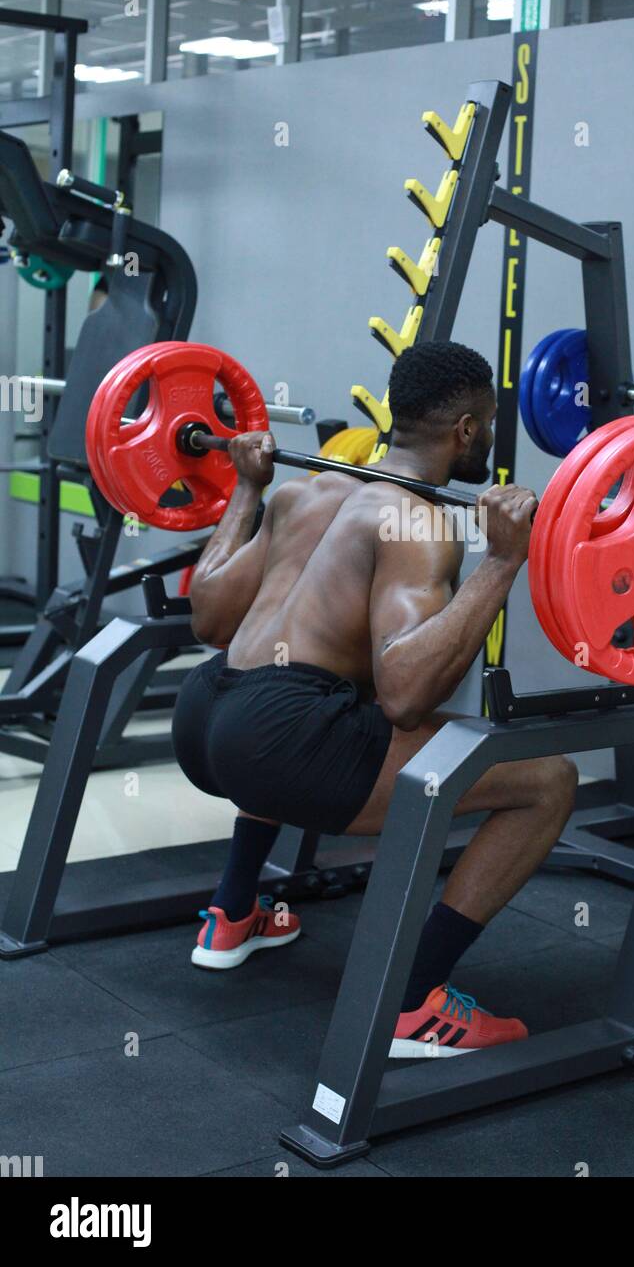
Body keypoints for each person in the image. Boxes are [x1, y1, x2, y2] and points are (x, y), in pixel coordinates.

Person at [172, 341, 577, 1055]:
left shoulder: (302, 492)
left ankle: (232, 912)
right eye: (485, 422)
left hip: (204, 715)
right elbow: (406, 698)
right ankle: (413, 1002)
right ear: (465, 431)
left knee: (313, 696)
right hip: (273, 740)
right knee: (548, 781)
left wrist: (246, 490)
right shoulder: (418, 525)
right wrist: (503, 561)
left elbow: (206, 620)